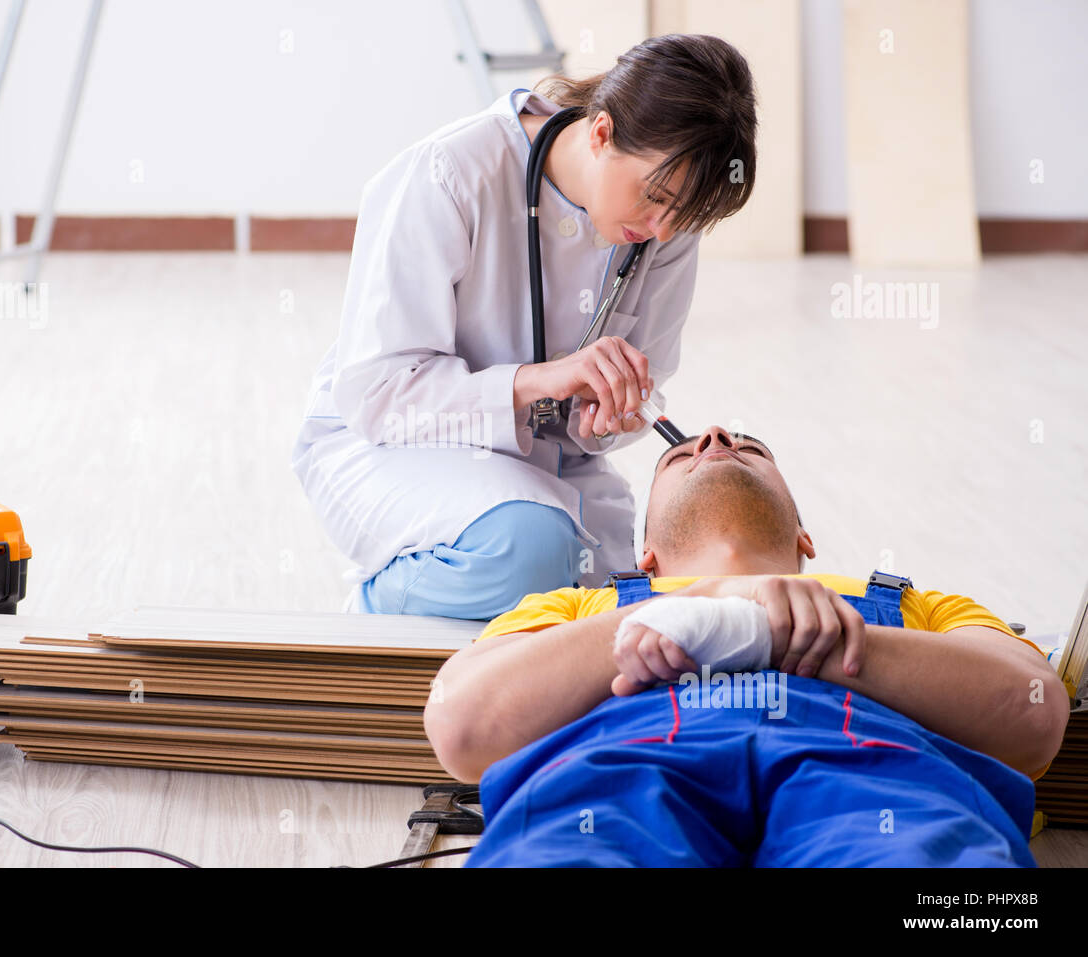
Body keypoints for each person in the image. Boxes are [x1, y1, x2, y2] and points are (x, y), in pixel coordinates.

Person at [424, 426, 1071, 867]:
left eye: (750, 446)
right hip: (619, 775)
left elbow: (1032, 712)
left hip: (884, 779)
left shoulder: (917, 604)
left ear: (805, 537)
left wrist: (818, 636)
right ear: (642, 555)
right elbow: (463, 721)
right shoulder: (574, 605)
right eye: (679, 455)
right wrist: (698, 605)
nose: (715, 437)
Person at [291, 36, 758, 620]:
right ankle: (379, 606)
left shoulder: (666, 230)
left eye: (683, 216)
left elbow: (647, 380)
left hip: (545, 468)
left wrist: (605, 418)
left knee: (622, 611)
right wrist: (539, 382)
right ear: (602, 132)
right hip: (385, 443)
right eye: (655, 198)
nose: (663, 230)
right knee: (528, 551)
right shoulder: (449, 172)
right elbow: (379, 392)